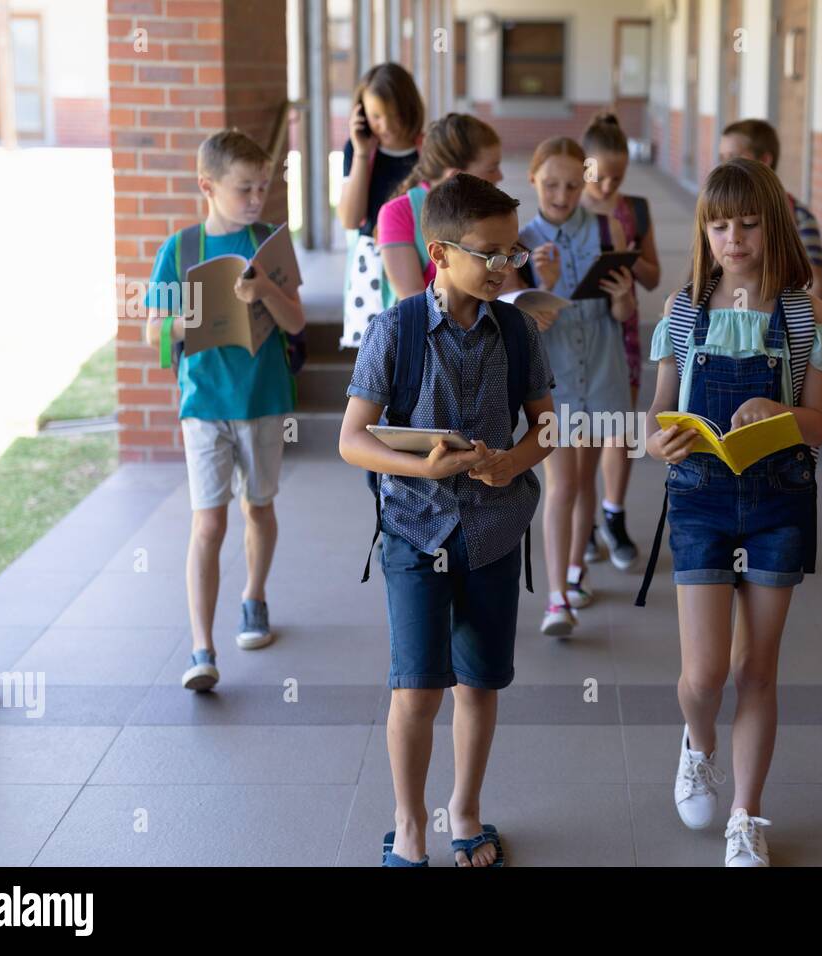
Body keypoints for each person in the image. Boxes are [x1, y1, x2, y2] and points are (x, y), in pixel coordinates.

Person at [338, 174, 556, 866]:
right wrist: (422, 470)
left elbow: (547, 427)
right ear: (439, 252)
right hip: (412, 531)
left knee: (480, 682)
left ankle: (465, 810)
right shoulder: (394, 330)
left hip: (493, 534)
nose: (505, 266)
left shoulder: (519, 331)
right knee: (417, 688)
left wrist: (512, 461)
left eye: (512, 252)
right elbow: (352, 439)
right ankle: (409, 822)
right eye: (489, 254)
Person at [643, 158, 822, 866]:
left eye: (749, 224)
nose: (733, 239)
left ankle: (748, 816)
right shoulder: (685, 309)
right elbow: (660, 413)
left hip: (779, 498)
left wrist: (780, 410)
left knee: (757, 669)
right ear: (704, 230)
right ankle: (698, 744)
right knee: (704, 677)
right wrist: (659, 439)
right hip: (698, 494)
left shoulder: (802, 313)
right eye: (719, 225)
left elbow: (818, 424)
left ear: (774, 226)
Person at [143, 129, 305, 691]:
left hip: (262, 399)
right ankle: (201, 647)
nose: (257, 199)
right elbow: (156, 339)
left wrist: (264, 294)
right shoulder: (182, 250)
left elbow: (298, 323)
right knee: (208, 521)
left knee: (258, 507)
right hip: (204, 404)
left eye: (263, 187)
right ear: (207, 186)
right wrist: (194, 317)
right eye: (245, 189)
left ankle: (254, 597)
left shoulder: (269, 245)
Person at [506, 137, 636, 636]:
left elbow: (621, 315)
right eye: (552, 183)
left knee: (585, 482)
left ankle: (576, 573)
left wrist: (624, 296)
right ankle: (557, 599)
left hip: (604, 375)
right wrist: (552, 283)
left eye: (571, 184)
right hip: (552, 385)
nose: (562, 194)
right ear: (534, 179)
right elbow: (530, 327)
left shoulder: (608, 230)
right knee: (561, 485)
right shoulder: (518, 245)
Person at [579, 112, 661, 571]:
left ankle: (614, 513)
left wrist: (625, 264)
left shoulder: (637, 210)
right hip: (579, 331)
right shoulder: (567, 210)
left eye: (617, 177)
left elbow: (652, 276)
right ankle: (585, 519)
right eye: (598, 175)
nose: (608, 186)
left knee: (620, 426)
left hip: (623, 328)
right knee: (582, 429)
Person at [375, 112, 503, 308]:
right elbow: (413, 298)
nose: (499, 176)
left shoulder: (488, 214)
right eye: (491, 169)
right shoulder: (398, 213)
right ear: (456, 177)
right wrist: (465, 319)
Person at [337, 63, 424, 347]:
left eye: (394, 115)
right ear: (360, 114)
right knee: (376, 353)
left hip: (419, 258)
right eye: (375, 117)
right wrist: (362, 154)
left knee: (414, 344)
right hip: (372, 265)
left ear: (409, 109)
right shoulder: (357, 150)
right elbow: (350, 219)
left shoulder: (428, 150)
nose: (384, 126)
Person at [718, 118, 822, 297]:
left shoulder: (800, 217)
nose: (725, 166)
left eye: (733, 156)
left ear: (765, 159)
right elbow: (697, 268)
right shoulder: (717, 210)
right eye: (722, 157)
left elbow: (815, 286)